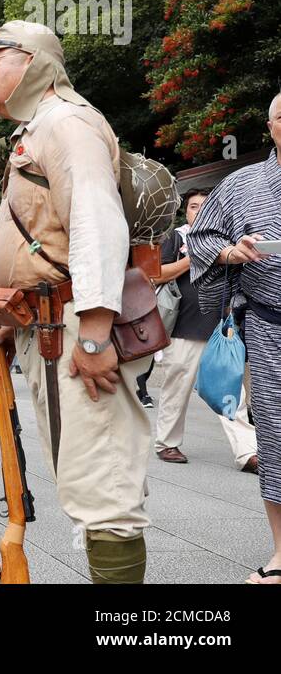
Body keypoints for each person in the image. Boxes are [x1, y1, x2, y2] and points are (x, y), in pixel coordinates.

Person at [0, 21, 148, 582]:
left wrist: (95, 333)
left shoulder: (68, 123)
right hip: (46, 323)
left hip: (74, 328)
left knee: (102, 480)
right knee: (81, 470)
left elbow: (96, 226)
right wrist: (12, 316)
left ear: (32, 62)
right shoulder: (42, 126)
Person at [185, 90, 281, 584]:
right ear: (271, 127)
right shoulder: (242, 184)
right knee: (277, 438)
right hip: (270, 328)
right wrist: (230, 253)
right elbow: (202, 238)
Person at [153, 190, 259, 469]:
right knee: (177, 388)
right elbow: (157, 274)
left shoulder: (224, 241)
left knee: (231, 390)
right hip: (182, 327)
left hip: (219, 328)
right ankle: (167, 443)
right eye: (193, 207)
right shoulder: (176, 238)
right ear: (185, 212)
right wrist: (195, 257)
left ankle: (247, 452)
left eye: (205, 207)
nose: (198, 212)